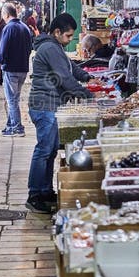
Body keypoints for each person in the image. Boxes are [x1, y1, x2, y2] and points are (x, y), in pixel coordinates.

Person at [26, 13, 92, 214]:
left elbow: (70, 68)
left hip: (52, 106)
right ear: (57, 32)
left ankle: (45, 191)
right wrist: (87, 94)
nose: (70, 39)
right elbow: (64, 77)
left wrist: (87, 77)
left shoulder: (56, 47)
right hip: (44, 105)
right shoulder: (50, 48)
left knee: (51, 150)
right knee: (44, 150)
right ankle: (35, 195)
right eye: (68, 35)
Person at [0, 2, 32, 137]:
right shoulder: (25, 27)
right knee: (14, 98)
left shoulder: (8, 28)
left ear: (6, 14)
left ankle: (17, 128)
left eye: (2, 14)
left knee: (11, 100)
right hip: (23, 68)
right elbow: (29, 48)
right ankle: (10, 125)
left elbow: (2, 50)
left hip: (11, 69)